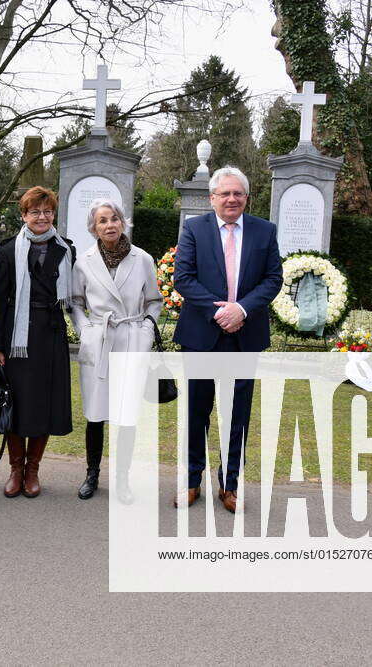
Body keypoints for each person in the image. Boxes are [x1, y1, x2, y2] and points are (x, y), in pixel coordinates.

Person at [172, 166, 282, 513]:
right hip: (202, 335)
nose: (232, 199)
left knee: (237, 416)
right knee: (197, 413)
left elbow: (273, 278)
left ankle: (229, 485)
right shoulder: (194, 229)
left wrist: (242, 310)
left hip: (245, 335)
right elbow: (184, 278)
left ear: (246, 198)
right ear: (212, 198)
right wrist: (219, 312)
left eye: (238, 193)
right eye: (225, 194)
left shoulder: (264, 231)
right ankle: (192, 481)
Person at [71, 200, 162, 502]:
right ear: (93, 228)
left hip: (131, 340)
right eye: (102, 221)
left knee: (126, 415)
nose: (109, 225)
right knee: (95, 414)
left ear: (123, 222)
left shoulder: (143, 259)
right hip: (98, 342)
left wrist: (146, 330)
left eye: (114, 219)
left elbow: (154, 300)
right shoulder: (83, 261)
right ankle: (92, 474)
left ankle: (122, 479)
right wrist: (85, 330)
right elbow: (75, 301)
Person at [0, 186, 74, 498]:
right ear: (23, 215)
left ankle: (33, 470)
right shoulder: (8, 250)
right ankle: (15, 469)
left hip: (50, 335)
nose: (42, 216)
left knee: (44, 404)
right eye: (35, 211)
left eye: (47, 211)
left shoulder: (67, 249)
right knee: (16, 402)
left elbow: (75, 296)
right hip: (17, 339)